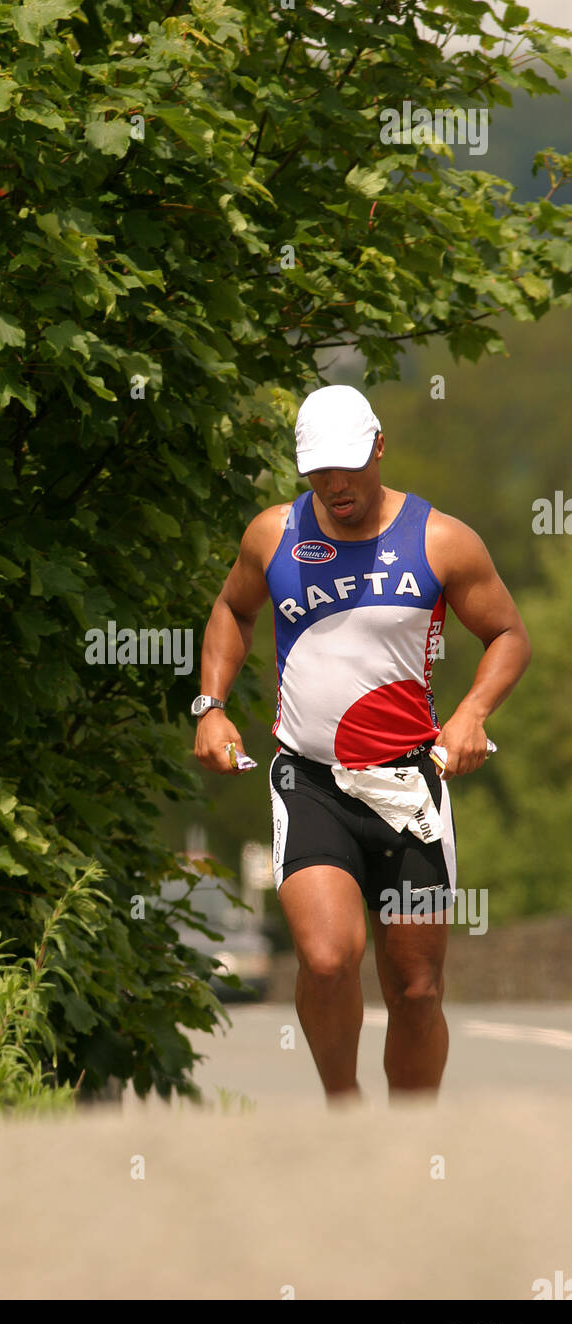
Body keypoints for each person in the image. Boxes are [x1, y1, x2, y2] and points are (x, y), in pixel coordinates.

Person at [192, 384, 531, 1101]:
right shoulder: (273, 534)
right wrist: (210, 706)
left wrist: (472, 714)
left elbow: (508, 635)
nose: (335, 486)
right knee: (323, 959)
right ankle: (344, 1115)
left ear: (379, 447)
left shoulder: (440, 540)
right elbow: (231, 608)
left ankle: (408, 1139)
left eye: (348, 466)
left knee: (415, 991)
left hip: (410, 788)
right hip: (309, 780)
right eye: (319, 471)